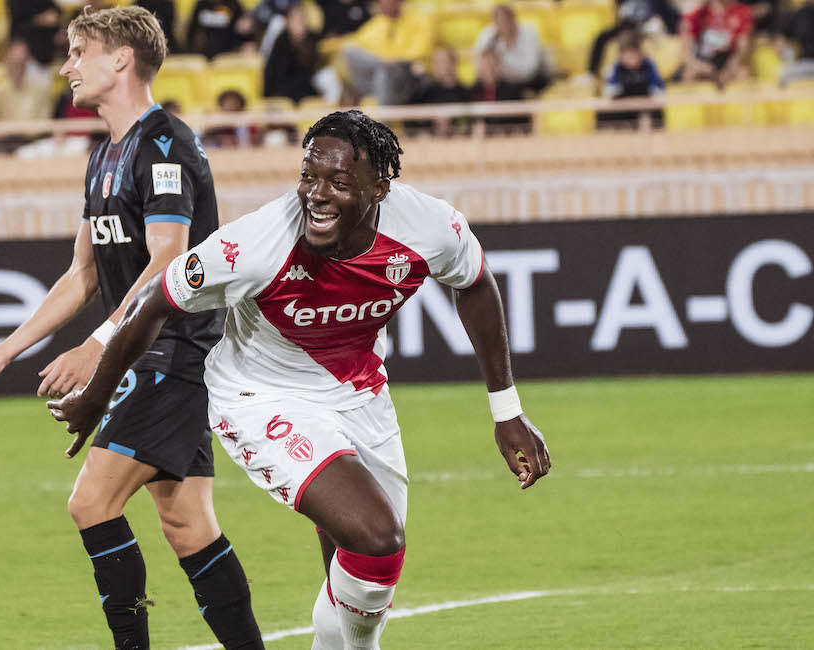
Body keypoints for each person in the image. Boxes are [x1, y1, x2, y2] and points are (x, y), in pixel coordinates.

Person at [48, 109, 552, 649]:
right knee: (378, 537)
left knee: (365, 570)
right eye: (308, 176)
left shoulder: (430, 228)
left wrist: (507, 411)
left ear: (379, 188)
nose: (317, 194)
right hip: (260, 398)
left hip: (361, 396)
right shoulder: (257, 243)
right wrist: (97, 394)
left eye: (339, 182)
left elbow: (475, 283)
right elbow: (154, 299)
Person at [0, 7, 264, 650]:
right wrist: (5, 351)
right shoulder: (102, 158)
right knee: (187, 524)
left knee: (91, 503)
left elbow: (168, 259)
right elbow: (82, 274)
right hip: (146, 353)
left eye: (78, 52)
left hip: (175, 351)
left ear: (120, 59)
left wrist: (97, 345)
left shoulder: (166, 143)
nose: (66, 66)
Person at [340, 0, 432, 105]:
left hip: (407, 73)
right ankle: (382, 65)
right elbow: (357, 44)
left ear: (398, 2)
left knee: (384, 72)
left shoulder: (419, 19)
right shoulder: (378, 22)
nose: (381, 6)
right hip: (379, 71)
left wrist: (393, 61)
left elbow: (419, 53)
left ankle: (384, 115)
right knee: (350, 51)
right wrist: (384, 62)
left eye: (386, 2)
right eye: (380, 3)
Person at [0, 40, 53, 156]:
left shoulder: (40, 90)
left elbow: (44, 125)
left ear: (28, 62)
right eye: (15, 62)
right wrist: (2, 132)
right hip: (3, 140)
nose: (17, 66)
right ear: (7, 62)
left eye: (22, 62)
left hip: (29, 141)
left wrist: (16, 130)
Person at [587, 0, 680, 78]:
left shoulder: (657, 2)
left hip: (647, 26)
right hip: (626, 26)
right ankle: (592, 73)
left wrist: (671, 29)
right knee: (602, 38)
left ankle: (655, 75)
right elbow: (621, 15)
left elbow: (669, 14)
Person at [473, 4, 553, 93]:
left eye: (506, 21)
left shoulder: (529, 34)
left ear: (513, 20)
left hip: (530, 81)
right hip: (501, 82)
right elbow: (479, 67)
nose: (504, 26)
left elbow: (530, 69)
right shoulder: (487, 35)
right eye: (499, 22)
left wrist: (503, 71)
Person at [600, 31, 665, 128]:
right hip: (623, 109)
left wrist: (646, 100)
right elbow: (608, 90)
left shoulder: (648, 65)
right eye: (626, 56)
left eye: (632, 55)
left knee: (647, 116)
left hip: (645, 108)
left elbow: (659, 90)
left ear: (640, 52)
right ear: (620, 55)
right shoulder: (617, 67)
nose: (630, 59)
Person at [678, 0, 753, 85]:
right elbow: (684, 52)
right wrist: (699, 66)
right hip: (703, 61)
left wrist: (731, 67)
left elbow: (742, 49)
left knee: (742, 75)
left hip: (727, 61)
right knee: (689, 75)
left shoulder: (742, 12)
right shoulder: (697, 12)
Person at [263, 4, 320, 103]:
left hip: (304, 89)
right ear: (288, 22)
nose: (300, 23)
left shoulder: (312, 40)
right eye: (296, 20)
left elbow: (311, 71)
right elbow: (277, 76)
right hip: (281, 90)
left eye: (303, 19)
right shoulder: (281, 43)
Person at [409, 47, 470, 136]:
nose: (437, 66)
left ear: (453, 64)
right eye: (436, 62)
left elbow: (468, 122)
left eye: (442, 62)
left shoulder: (463, 92)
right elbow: (409, 117)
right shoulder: (427, 90)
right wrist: (431, 117)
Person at [468, 50, 529, 133]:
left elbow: (523, 120)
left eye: (493, 65)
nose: (490, 70)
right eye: (486, 66)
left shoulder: (512, 90)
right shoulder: (472, 91)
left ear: (499, 67)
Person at [9, 0, 61, 68]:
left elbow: (55, 12)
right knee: (18, 54)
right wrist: (42, 18)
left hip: (46, 38)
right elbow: (19, 17)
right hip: (24, 36)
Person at [777, 0, 814, 86]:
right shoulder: (801, 14)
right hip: (805, 62)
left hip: (806, 64)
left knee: (782, 75)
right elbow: (782, 39)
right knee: (782, 74)